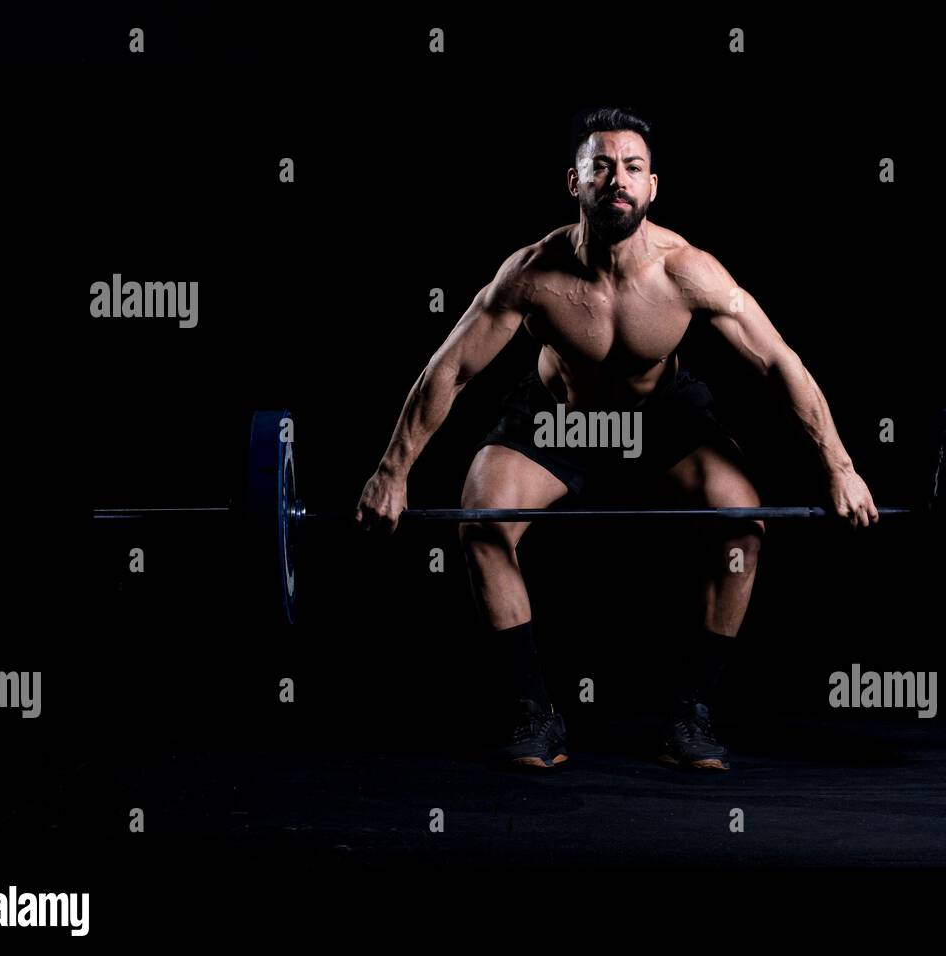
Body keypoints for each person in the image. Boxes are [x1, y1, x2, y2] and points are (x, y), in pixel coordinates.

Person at [357, 108, 878, 770]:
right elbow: (451, 368)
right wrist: (391, 471)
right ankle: (534, 713)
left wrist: (839, 466)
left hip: (662, 420)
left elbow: (780, 364)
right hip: (560, 416)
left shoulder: (688, 272)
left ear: (653, 186)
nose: (617, 180)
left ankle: (691, 712)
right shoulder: (531, 274)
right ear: (572, 182)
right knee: (481, 523)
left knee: (743, 525)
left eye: (632, 167)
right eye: (600, 166)